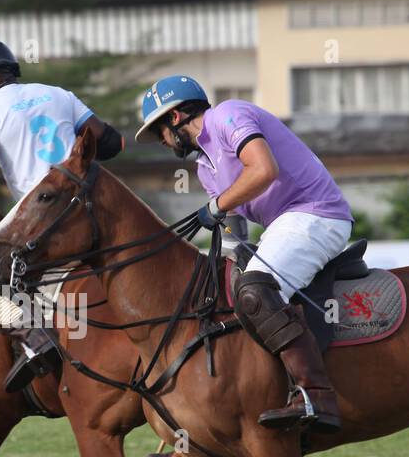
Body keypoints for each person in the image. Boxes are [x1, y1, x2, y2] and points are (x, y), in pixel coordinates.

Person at [136, 75, 352, 433]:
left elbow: (264, 170)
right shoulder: (205, 167)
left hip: (315, 214)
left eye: (158, 130)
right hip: (282, 226)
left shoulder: (227, 115)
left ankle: (316, 395)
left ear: (174, 118)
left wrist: (217, 205)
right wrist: (223, 263)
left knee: (256, 291)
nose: (160, 141)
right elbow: (235, 228)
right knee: (221, 294)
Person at [0, 38, 127, 393]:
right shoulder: (59, 94)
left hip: (46, 220)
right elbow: (112, 144)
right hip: (97, 210)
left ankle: (35, 337)